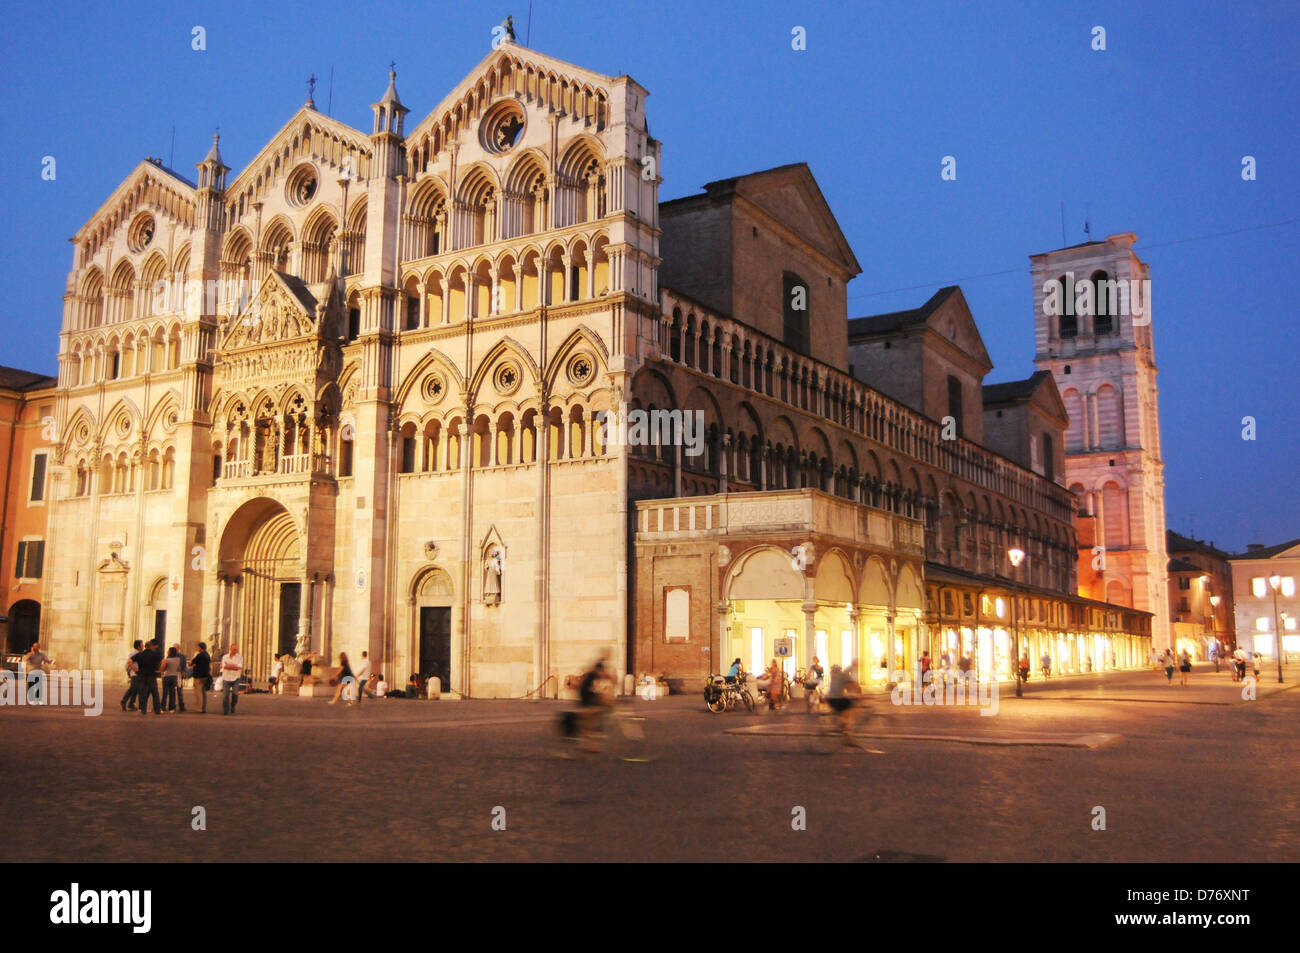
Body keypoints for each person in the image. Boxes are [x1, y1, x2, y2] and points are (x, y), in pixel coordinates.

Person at [577, 659, 614, 752]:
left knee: (596, 715)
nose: (604, 671)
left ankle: (588, 741)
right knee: (592, 719)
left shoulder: (593, 674)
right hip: (586, 697)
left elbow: (597, 688)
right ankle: (586, 742)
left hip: (589, 695)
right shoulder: (593, 674)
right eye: (603, 669)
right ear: (599, 669)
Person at [826, 662, 864, 746]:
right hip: (837, 699)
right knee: (850, 708)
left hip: (830, 698)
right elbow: (853, 685)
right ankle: (846, 730)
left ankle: (843, 727)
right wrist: (859, 694)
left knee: (842, 712)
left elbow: (840, 688)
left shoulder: (833, 677)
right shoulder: (843, 675)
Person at [135, 640, 163, 716]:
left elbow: (129, 661)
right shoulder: (155, 654)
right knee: (155, 693)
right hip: (152, 675)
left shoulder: (140, 654)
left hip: (142, 675)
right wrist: (159, 670)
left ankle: (143, 709)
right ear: (151, 646)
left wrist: (136, 670)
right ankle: (157, 710)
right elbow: (162, 660)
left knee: (144, 693)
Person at [220, 643, 244, 715]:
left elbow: (239, 667)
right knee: (225, 695)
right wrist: (233, 666)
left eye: (236, 649)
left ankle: (233, 705)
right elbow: (224, 666)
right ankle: (225, 709)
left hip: (236, 678)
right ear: (230, 649)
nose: (235, 651)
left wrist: (229, 665)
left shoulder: (240, 657)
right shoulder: (225, 657)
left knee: (235, 694)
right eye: (234, 649)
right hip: (226, 678)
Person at [121, 640, 144, 711]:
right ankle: (124, 701)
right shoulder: (134, 654)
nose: (143, 646)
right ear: (138, 646)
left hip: (137, 673)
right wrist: (130, 672)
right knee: (133, 688)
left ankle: (131, 703)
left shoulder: (139, 653)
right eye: (142, 645)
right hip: (135, 673)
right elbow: (128, 663)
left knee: (135, 689)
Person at [160, 646, 183, 712]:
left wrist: (160, 670)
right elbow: (179, 669)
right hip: (174, 676)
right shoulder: (178, 660)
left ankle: (163, 707)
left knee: (165, 692)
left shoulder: (166, 660)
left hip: (167, 676)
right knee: (172, 692)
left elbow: (162, 668)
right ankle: (172, 707)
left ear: (170, 652)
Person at [191, 642, 212, 713]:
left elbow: (193, 662)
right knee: (203, 692)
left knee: (198, 692)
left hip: (199, 676)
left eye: (198, 647)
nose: (197, 648)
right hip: (205, 675)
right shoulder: (207, 655)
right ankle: (203, 707)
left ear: (200, 648)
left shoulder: (200, 655)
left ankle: (199, 708)